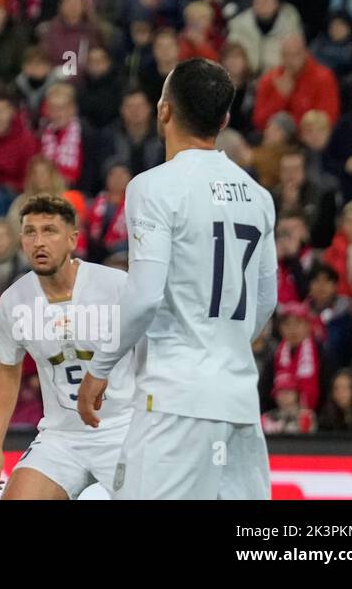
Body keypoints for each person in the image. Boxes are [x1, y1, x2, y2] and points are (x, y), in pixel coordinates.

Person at [78, 58, 278, 500]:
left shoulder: (153, 187)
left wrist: (100, 368)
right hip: (240, 402)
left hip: (175, 401)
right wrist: (224, 346)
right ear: (225, 119)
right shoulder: (258, 196)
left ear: (164, 111)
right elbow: (266, 298)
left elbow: (144, 296)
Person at [0, 194, 133, 500]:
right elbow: (9, 371)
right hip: (62, 436)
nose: (39, 241)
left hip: (125, 429)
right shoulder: (13, 302)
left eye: (49, 231)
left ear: (73, 239)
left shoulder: (117, 286)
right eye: (30, 232)